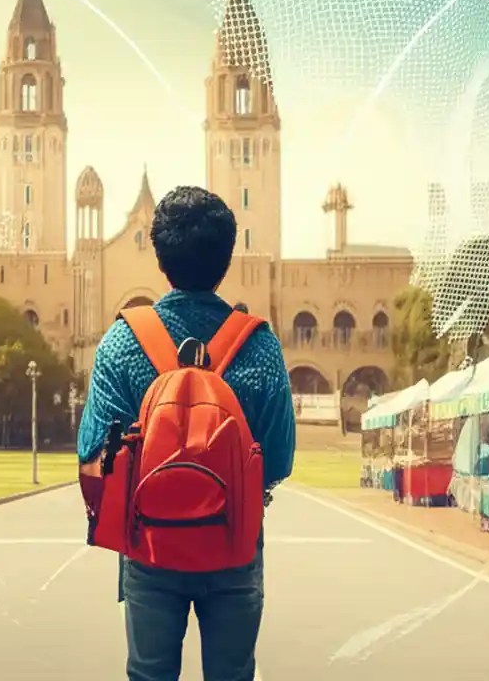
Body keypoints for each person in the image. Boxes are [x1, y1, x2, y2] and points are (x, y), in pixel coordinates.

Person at [77, 185, 296, 681]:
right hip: (235, 544)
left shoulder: (121, 342)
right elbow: (280, 457)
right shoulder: (260, 345)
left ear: (160, 259)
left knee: (149, 674)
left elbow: (92, 451)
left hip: (150, 546)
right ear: (226, 259)